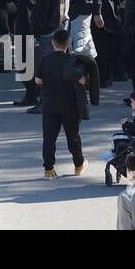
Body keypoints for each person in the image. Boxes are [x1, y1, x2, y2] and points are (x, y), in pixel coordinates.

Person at [35, 28, 89, 178]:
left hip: (50, 104)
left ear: (52, 42)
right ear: (68, 43)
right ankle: (78, 164)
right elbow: (82, 81)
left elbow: (38, 80)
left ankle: (48, 169)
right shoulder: (72, 61)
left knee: (49, 138)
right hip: (69, 105)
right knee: (73, 136)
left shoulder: (45, 60)